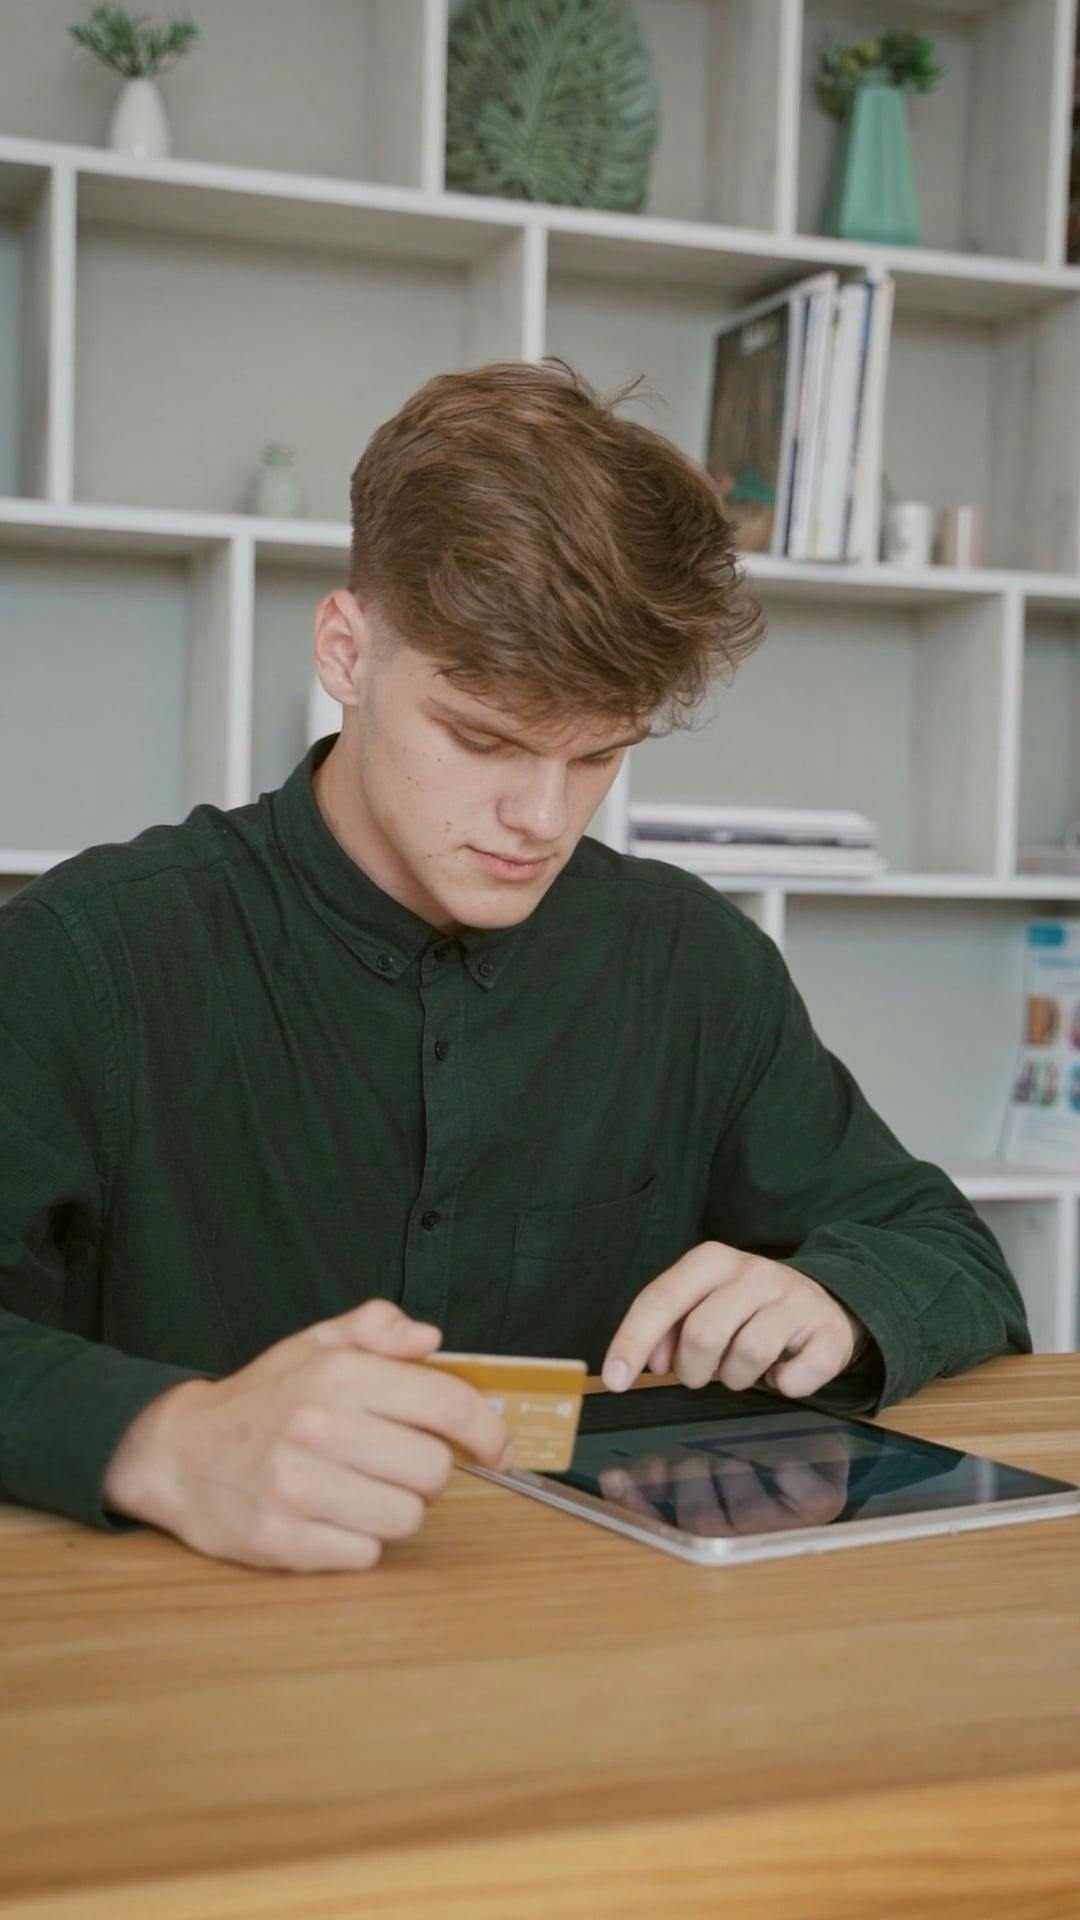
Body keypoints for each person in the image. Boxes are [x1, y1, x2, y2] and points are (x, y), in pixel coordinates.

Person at [0, 359, 1031, 1573]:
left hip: (604, 1658)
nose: (541, 817)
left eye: (599, 754)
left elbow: (947, 1253)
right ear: (347, 649)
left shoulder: (693, 965)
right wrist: (164, 1439)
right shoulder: (93, 953)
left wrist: (843, 1297)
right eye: (482, 738)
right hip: (196, 1669)